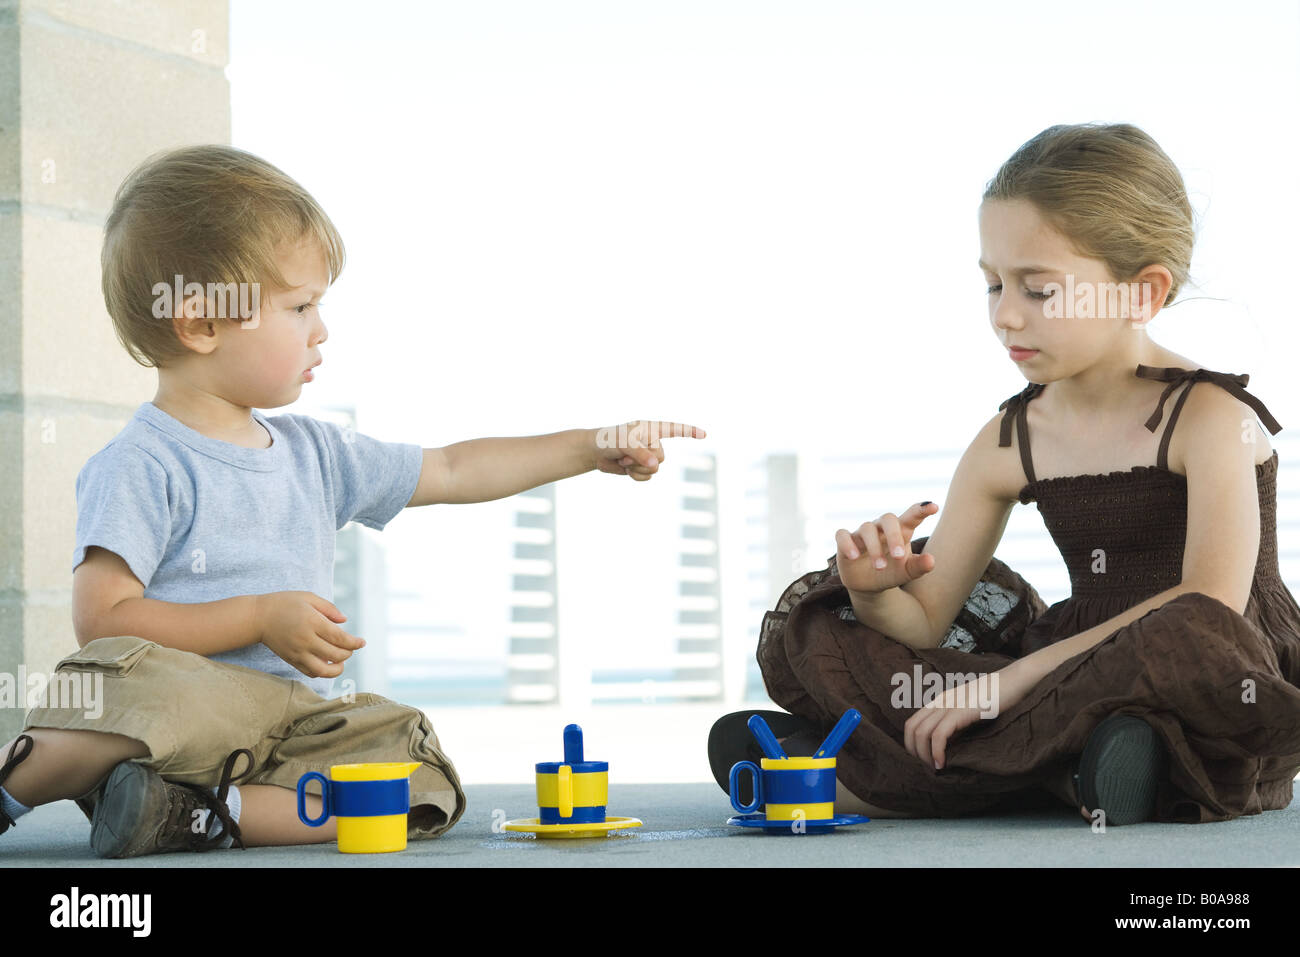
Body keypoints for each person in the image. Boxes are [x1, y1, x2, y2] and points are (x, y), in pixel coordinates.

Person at [0, 144, 705, 857]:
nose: (321, 328)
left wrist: (588, 446)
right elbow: (104, 620)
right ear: (201, 323)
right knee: (120, 692)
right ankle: (11, 789)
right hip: (182, 713)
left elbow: (456, 468)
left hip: (294, 724)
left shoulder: (316, 452)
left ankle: (196, 813)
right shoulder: (142, 462)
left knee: (416, 770)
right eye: (299, 305)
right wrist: (255, 614)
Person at [711, 122, 1300, 827]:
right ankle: (1088, 769)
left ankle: (892, 769)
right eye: (992, 284)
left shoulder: (1209, 417)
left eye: (1039, 291)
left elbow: (1209, 603)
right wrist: (875, 594)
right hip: (1067, 663)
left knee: (1187, 644)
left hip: (1198, 661)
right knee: (829, 621)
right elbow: (926, 622)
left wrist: (1011, 686)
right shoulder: (1009, 437)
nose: (1004, 315)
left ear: (1141, 293)